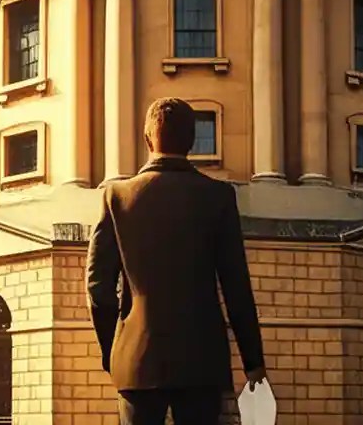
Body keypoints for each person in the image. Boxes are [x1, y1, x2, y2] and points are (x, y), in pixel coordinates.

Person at [87, 97, 267, 425]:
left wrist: (112, 353)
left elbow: (98, 288)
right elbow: (236, 286)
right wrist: (253, 361)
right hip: (201, 361)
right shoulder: (219, 196)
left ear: (147, 139)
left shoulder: (116, 197)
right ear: (192, 142)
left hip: (135, 361)